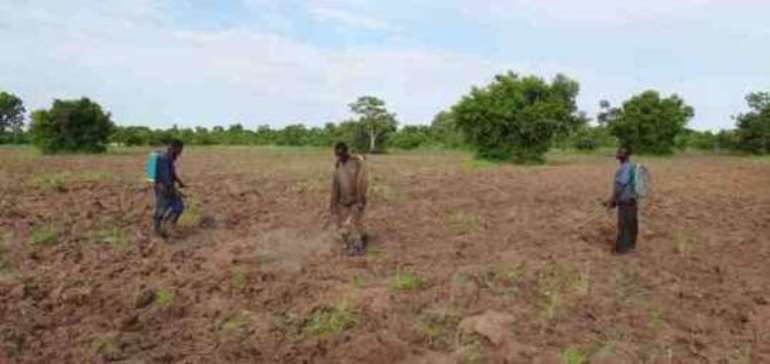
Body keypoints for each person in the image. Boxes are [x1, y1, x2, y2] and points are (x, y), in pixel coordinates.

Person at [329, 142, 369, 256]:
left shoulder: (357, 164)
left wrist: (360, 200)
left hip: (356, 200)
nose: (339, 157)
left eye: (341, 154)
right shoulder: (337, 165)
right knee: (342, 226)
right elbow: (335, 187)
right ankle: (349, 245)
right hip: (342, 201)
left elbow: (362, 183)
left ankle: (358, 249)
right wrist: (333, 205)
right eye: (337, 155)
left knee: (353, 224)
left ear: (346, 152)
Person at [605, 145, 638, 254]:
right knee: (631, 222)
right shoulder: (632, 166)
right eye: (618, 152)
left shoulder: (625, 168)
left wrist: (612, 201)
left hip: (625, 200)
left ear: (626, 155)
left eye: (621, 153)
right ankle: (631, 245)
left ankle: (622, 250)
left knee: (624, 224)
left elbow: (620, 186)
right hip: (632, 200)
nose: (618, 154)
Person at [153, 139, 186, 238]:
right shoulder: (164, 158)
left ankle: (160, 229)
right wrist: (175, 191)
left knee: (163, 208)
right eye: (180, 149)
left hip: (161, 186)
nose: (181, 152)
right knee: (177, 206)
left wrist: (179, 182)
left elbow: (171, 172)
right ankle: (166, 227)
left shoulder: (168, 156)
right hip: (164, 187)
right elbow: (166, 178)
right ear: (175, 147)